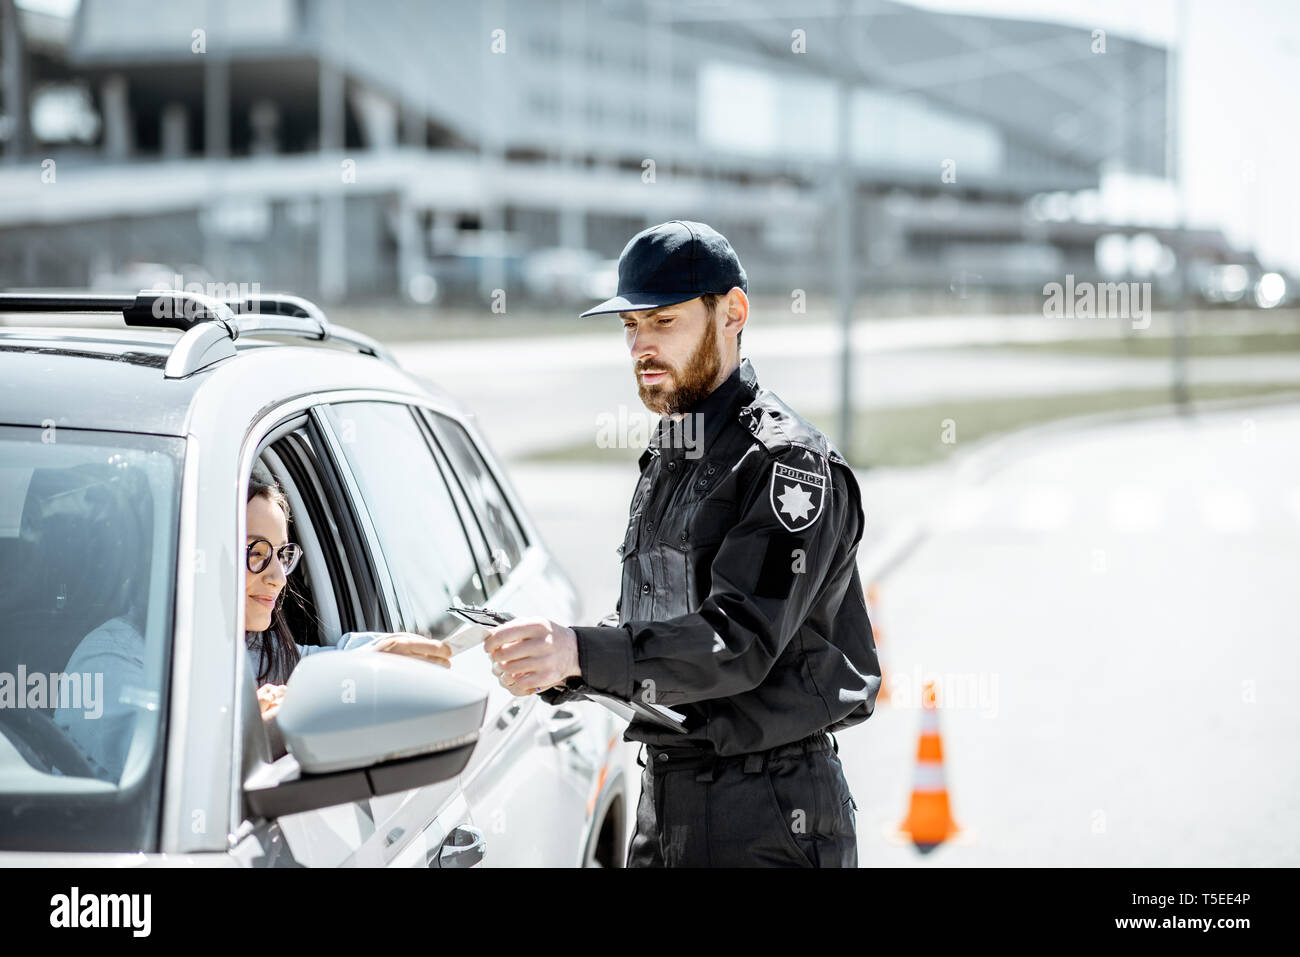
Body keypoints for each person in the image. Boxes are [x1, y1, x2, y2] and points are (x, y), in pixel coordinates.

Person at [483, 220, 881, 867]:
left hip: (769, 813)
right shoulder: (673, 455)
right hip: (666, 801)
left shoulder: (787, 466)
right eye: (629, 326)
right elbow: (658, 633)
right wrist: (564, 663)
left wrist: (583, 649)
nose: (641, 344)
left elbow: (736, 641)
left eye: (662, 320)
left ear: (732, 313)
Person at [56, 466, 451, 780]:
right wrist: (247, 730)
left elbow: (326, 664)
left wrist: (381, 657)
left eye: (282, 554)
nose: (279, 577)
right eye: (256, 552)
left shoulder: (256, 649)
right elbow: (156, 780)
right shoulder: (111, 660)